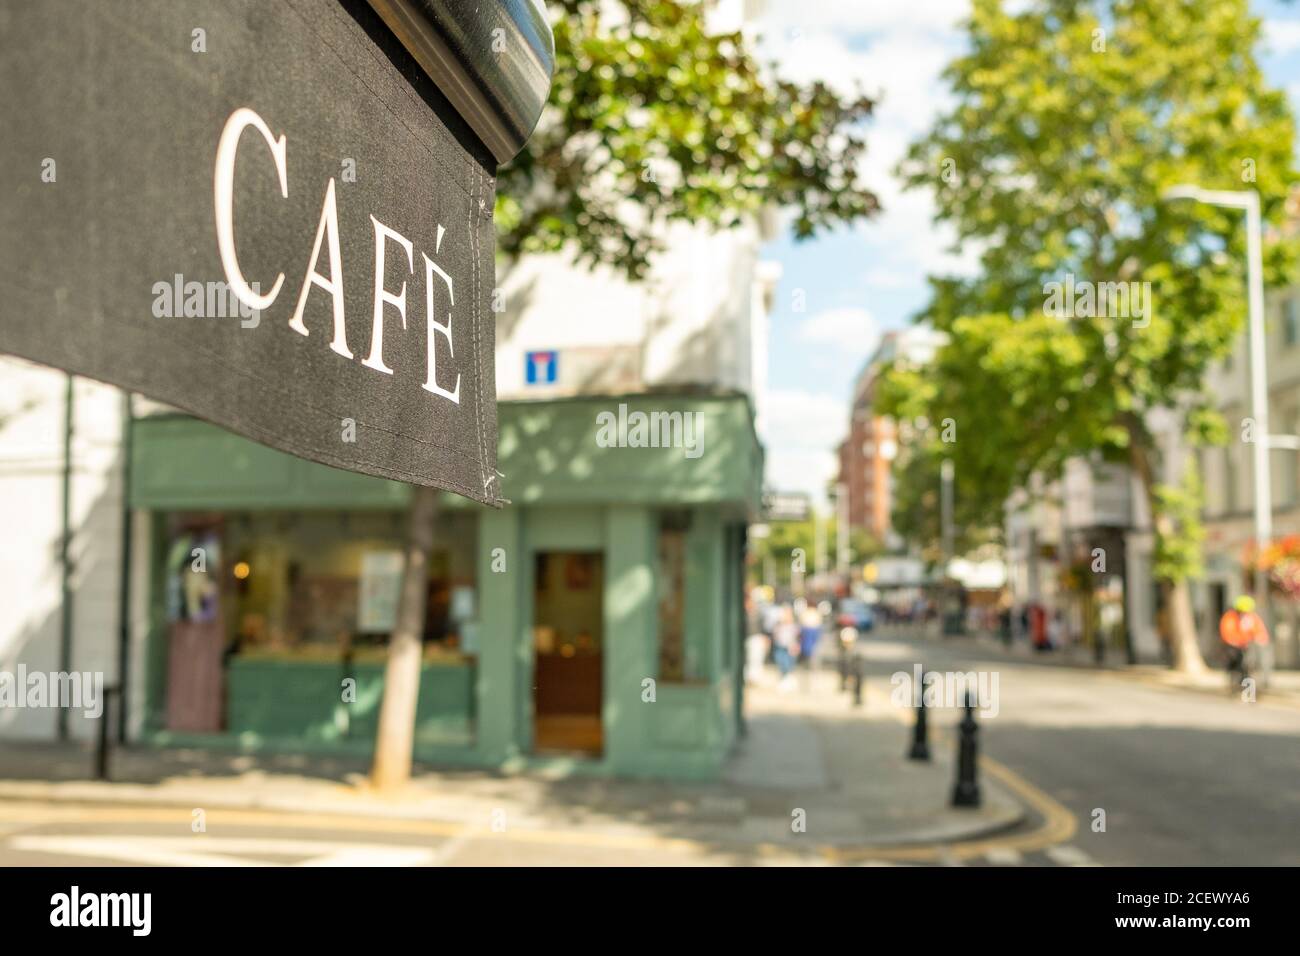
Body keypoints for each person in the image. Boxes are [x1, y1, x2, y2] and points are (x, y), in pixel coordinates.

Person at [1219, 595, 1270, 692]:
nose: (1244, 614)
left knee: (1253, 658)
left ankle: (1254, 680)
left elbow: (1259, 629)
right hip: (1234, 644)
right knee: (1234, 657)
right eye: (1242, 612)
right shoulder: (1230, 617)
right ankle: (1233, 674)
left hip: (1247, 644)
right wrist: (1234, 641)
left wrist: (1261, 638)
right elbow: (1227, 632)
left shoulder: (1252, 617)